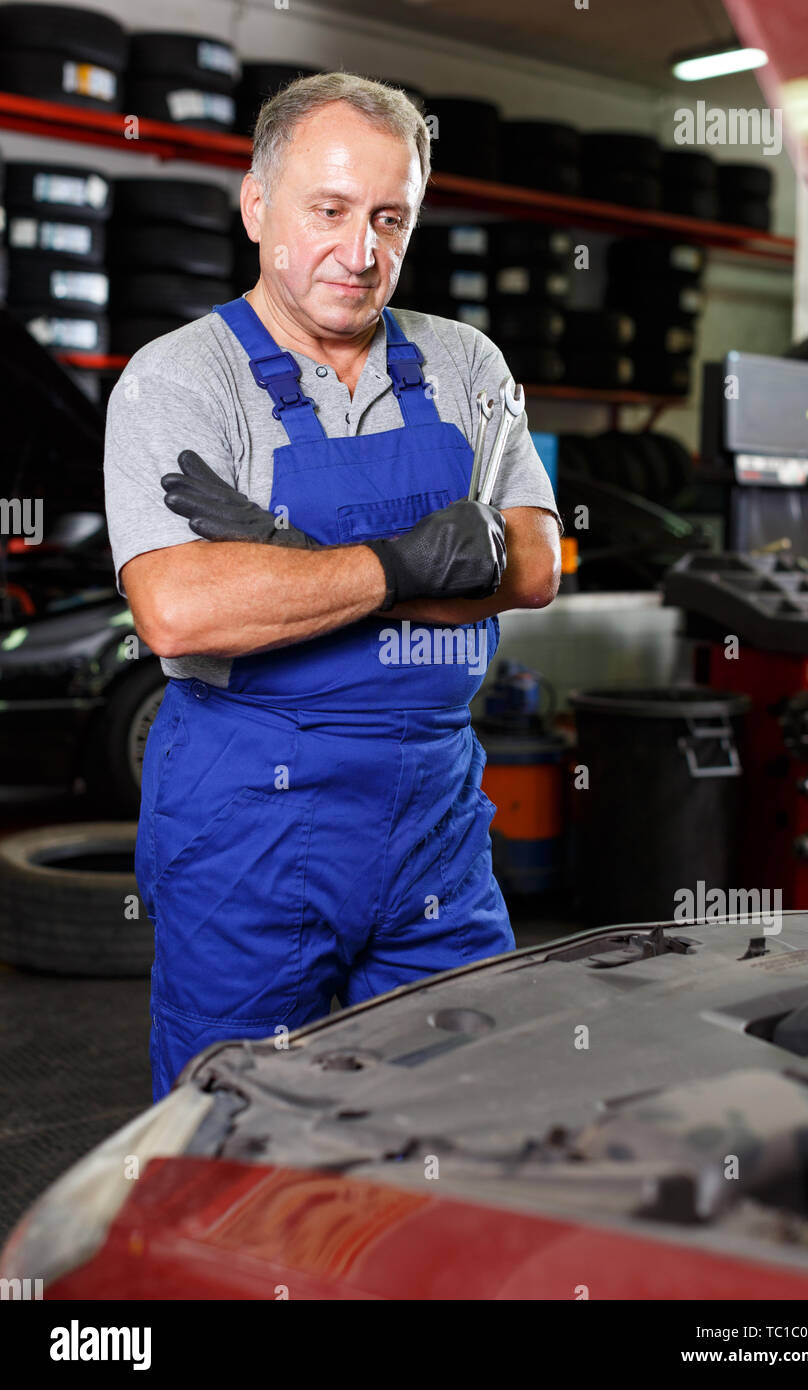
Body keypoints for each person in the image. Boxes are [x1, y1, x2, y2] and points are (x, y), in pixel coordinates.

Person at [103, 72, 563, 1103]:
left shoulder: (464, 362)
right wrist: (416, 560)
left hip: (434, 818)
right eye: (330, 211)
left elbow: (532, 564)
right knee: (240, 1133)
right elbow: (180, 607)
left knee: (467, 1109)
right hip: (248, 827)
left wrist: (283, 558)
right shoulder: (179, 379)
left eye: (389, 217)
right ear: (257, 205)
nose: (361, 253)